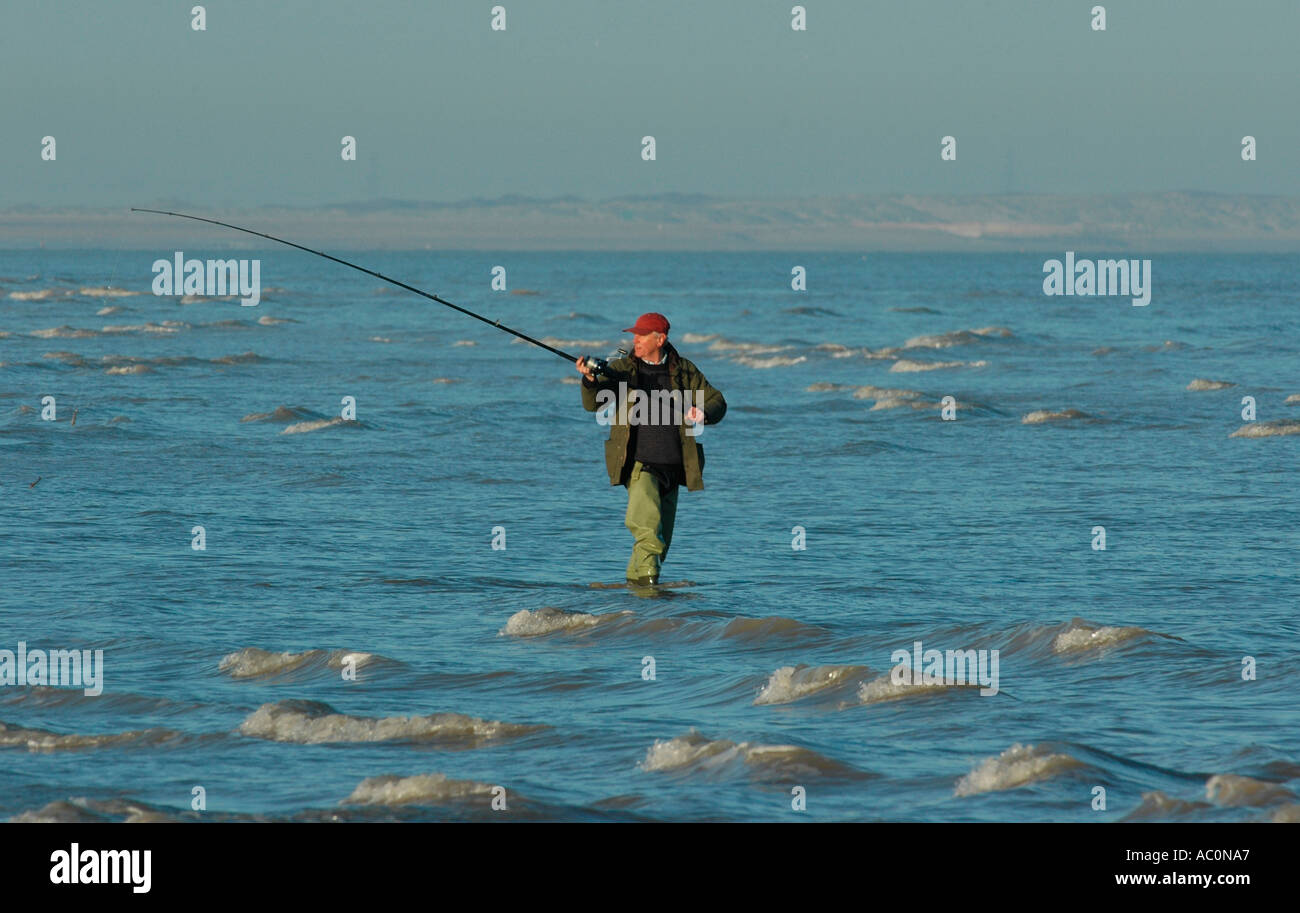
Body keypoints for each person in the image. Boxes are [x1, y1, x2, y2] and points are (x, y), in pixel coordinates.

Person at [577, 313, 726, 585]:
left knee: (660, 545)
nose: (635, 340)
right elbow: (593, 404)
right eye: (634, 335)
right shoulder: (622, 368)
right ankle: (650, 598)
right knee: (648, 535)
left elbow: (718, 401)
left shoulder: (684, 370)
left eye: (642, 335)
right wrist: (589, 380)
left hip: (675, 468)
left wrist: (704, 412)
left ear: (661, 339)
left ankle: (638, 607)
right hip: (639, 464)